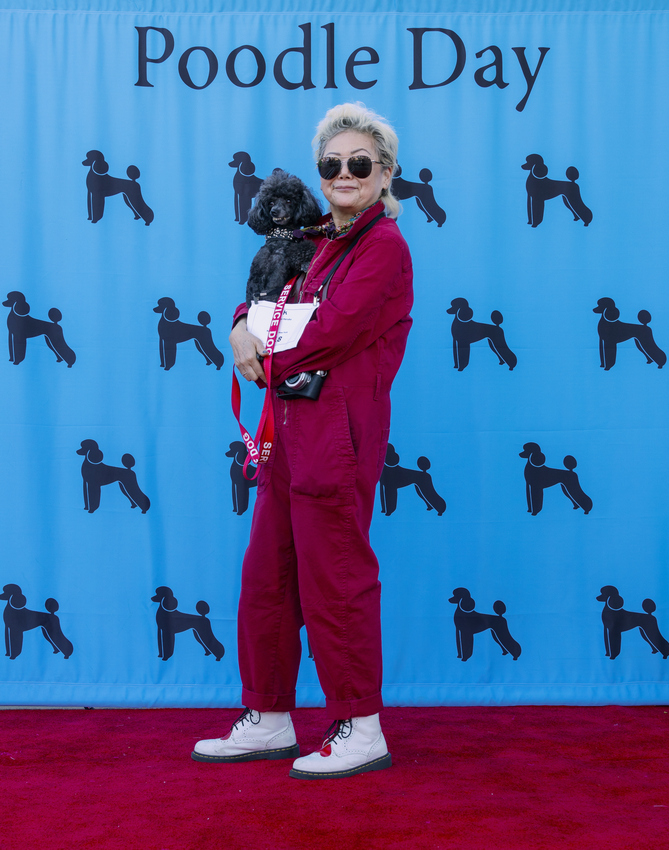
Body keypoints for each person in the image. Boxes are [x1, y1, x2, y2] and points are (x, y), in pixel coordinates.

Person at [193, 103, 413, 779]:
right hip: (287, 433)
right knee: (267, 576)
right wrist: (239, 326)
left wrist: (259, 349)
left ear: (385, 173)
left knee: (336, 578)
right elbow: (265, 292)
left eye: (359, 163)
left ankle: (361, 726)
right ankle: (268, 716)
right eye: (331, 162)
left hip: (336, 437)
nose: (344, 173)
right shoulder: (313, 239)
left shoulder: (382, 247)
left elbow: (330, 332)